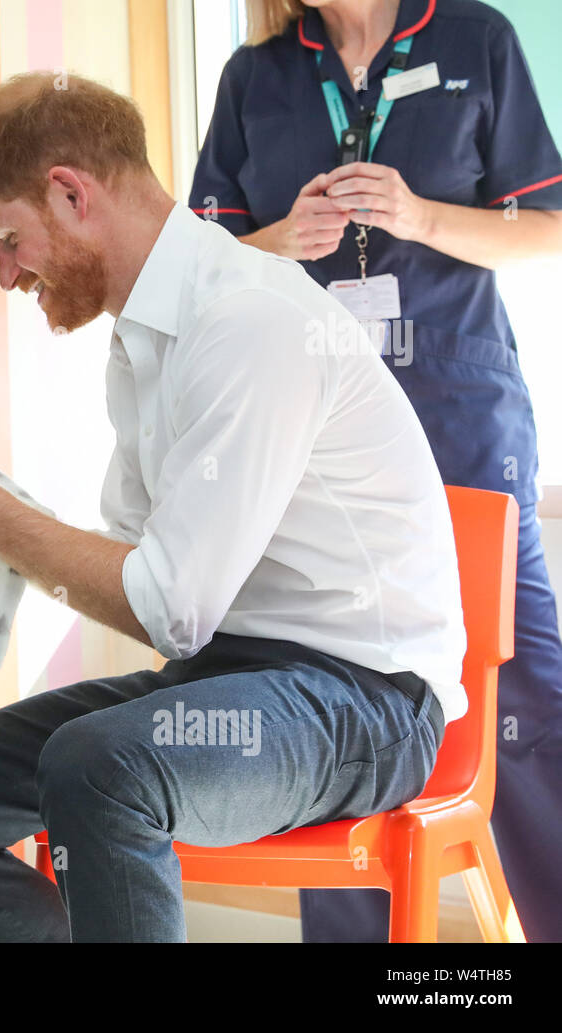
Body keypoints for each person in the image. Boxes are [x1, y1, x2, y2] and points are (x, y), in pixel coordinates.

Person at [0, 70, 465, 942]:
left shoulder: (248, 318)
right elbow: (132, 566)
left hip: (365, 696)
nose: (4, 275)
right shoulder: (144, 338)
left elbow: (168, 607)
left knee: (101, 765)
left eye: (7, 238)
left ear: (70, 193)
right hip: (229, 676)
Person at [189, 0, 562, 942]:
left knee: (517, 684)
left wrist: (421, 214)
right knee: (331, 680)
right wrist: (283, 239)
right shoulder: (256, 77)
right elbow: (196, 266)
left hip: (460, 413)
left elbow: (549, 226)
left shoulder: (475, 40)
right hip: (316, 427)